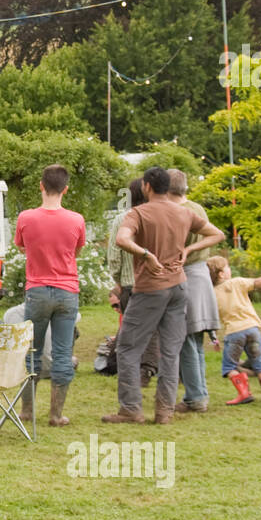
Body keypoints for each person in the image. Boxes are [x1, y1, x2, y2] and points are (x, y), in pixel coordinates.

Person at [106, 166, 225, 425]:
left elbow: (122, 240)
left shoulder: (138, 213)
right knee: (171, 351)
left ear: (147, 186)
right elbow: (218, 234)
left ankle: (130, 409)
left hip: (150, 288)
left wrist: (146, 255)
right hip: (179, 287)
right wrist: (191, 248)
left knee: (127, 347)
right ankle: (164, 412)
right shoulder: (184, 213)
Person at [14, 164, 86, 428]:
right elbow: (76, 251)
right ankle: (56, 415)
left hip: (37, 290)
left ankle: (27, 411)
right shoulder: (76, 220)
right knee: (63, 354)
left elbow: (22, 247)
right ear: (65, 189)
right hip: (67, 291)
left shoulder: (26, 218)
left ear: (41, 185)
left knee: (31, 351)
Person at [168, 169, 221, 415]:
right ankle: (199, 393)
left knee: (186, 340)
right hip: (200, 276)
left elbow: (214, 235)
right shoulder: (197, 207)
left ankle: (196, 397)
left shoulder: (181, 211)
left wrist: (188, 250)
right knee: (195, 341)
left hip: (188, 274)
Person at [207, 255, 261, 404]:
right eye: (227, 267)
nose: (229, 269)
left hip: (233, 333)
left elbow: (211, 318)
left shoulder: (211, 294)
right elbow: (258, 282)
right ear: (221, 274)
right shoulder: (237, 283)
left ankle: (244, 393)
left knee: (229, 366)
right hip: (252, 330)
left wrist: (214, 338)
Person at [106, 177, 160, 387]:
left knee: (131, 329)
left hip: (130, 283)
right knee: (154, 330)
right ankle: (147, 369)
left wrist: (118, 280)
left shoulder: (121, 219)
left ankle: (131, 370)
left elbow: (114, 255)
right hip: (156, 282)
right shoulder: (159, 217)